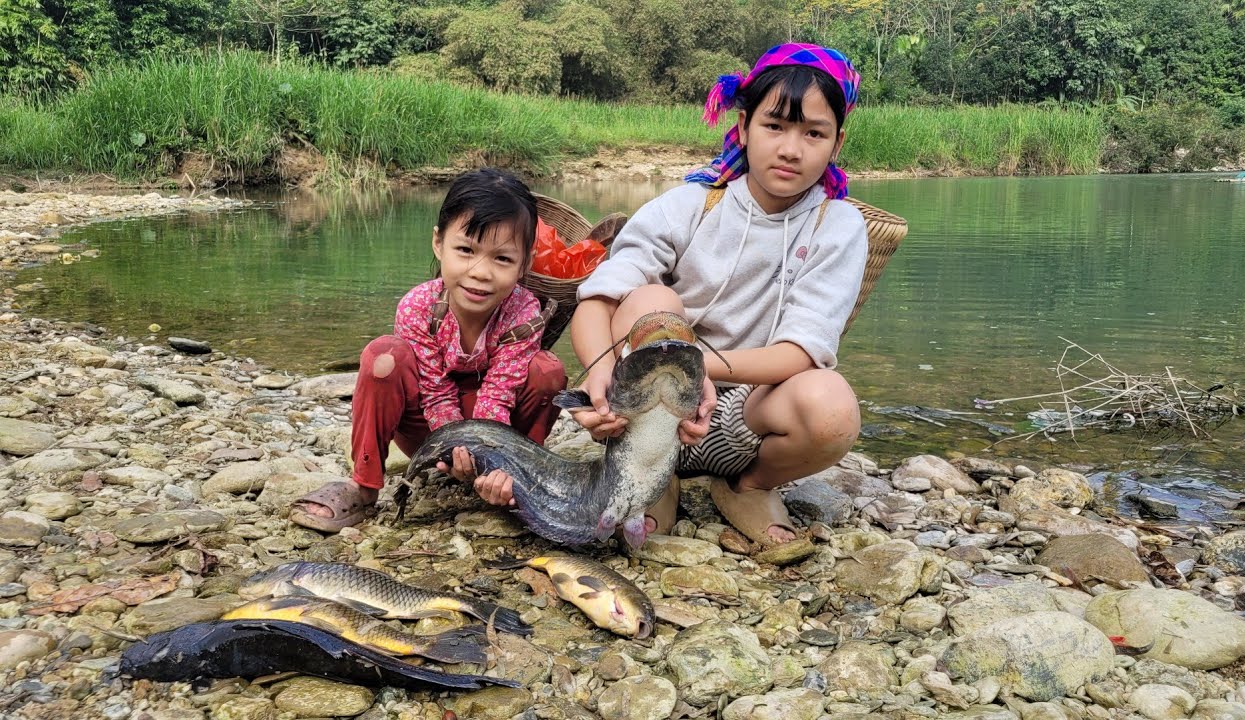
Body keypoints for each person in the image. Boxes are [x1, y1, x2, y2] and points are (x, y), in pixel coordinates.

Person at [567, 43, 869, 546]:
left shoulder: (837, 225)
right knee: (648, 303)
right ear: (745, 126)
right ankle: (650, 475)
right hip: (655, 408)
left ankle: (746, 487)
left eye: (813, 133)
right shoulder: (690, 205)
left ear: (836, 144)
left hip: (746, 418)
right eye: (775, 126)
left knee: (831, 404)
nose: (791, 148)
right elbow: (597, 299)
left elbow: (801, 351)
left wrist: (698, 371)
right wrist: (600, 377)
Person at [289, 167, 567, 532]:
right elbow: (435, 396)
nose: (481, 272)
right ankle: (364, 484)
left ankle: (521, 477)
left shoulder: (524, 311)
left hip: (498, 430)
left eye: (502, 259)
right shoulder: (418, 307)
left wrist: (489, 460)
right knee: (383, 357)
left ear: (525, 263)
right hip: (426, 427)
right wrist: (454, 451)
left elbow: (498, 396)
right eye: (465, 250)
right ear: (439, 243)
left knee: (548, 370)